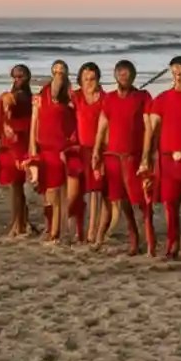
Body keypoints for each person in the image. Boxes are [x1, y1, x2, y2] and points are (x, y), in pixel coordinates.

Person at [142, 55, 181, 259]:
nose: (179, 72)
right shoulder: (161, 99)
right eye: (176, 68)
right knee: (171, 206)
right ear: (171, 70)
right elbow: (151, 132)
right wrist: (146, 158)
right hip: (167, 159)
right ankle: (173, 245)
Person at [92, 60, 154, 256]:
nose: (123, 77)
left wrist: (146, 156)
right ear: (116, 76)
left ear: (133, 76)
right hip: (113, 156)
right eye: (120, 74)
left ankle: (151, 241)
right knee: (122, 200)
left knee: (143, 201)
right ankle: (134, 238)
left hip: (133, 156)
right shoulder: (109, 98)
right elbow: (102, 125)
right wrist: (96, 150)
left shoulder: (142, 97)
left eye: (126, 74)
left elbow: (148, 129)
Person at [30, 59, 79, 244]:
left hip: (60, 151)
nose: (58, 74)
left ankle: (56, 231)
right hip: (43, 150)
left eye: (62, 71)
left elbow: (76, 124)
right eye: (55, 71)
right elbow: (34, 123)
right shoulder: (41, 96)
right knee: (46, 193)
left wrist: (70, 145)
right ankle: (49, 227)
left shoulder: (71, 96)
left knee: (56, 192)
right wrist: (33, 150)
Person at [0, 64, 35, 238]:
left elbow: (10, 100)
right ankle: (21, 223)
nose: (17, 80)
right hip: (12, 143)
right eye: (15, 77)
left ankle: (17, 225)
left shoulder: (24, 96)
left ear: (28, 78)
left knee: (16, 187)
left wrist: (5, 99)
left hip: (20, 144)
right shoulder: (20, 95)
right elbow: (6, 103)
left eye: (21, 76)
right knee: (16, 187)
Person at [73, 62, 108, 246]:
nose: (89, 82)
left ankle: (93, 230)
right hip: (80, 149)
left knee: (96, 191)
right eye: (85, 79)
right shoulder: (76, 96)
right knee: (82, 190)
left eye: (92, 79)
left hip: (100, 149)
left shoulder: (105, 98)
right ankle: (81, 228)